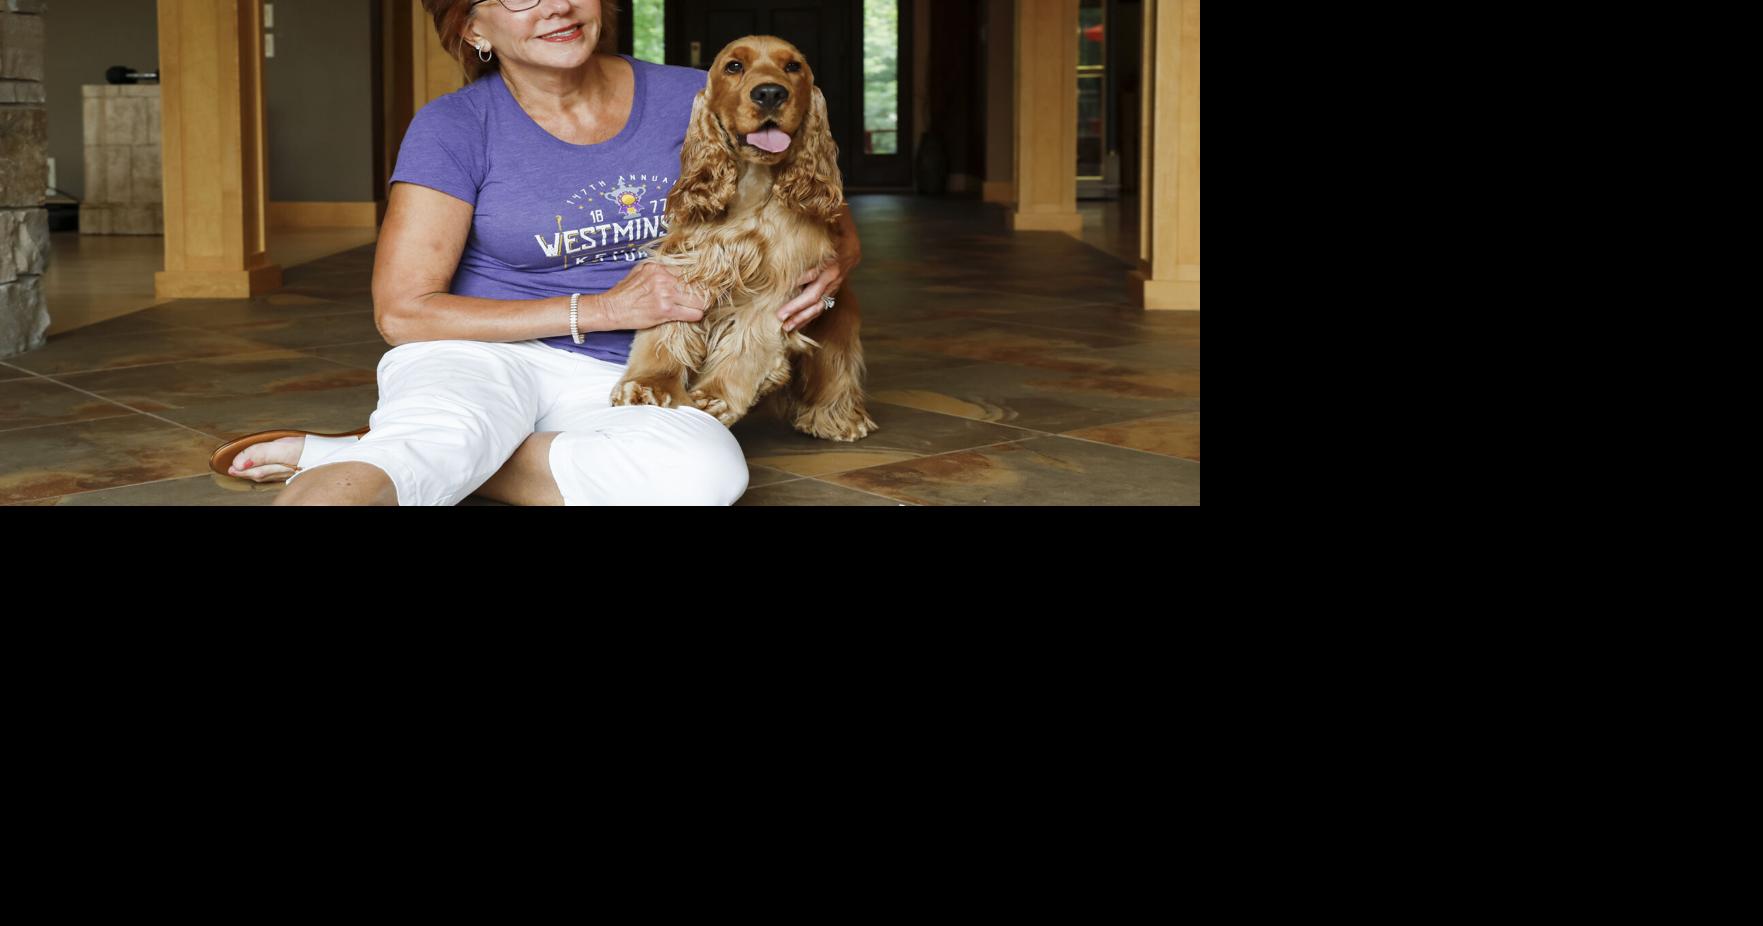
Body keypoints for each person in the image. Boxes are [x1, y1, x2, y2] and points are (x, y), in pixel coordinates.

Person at [215, 0, 861, 505]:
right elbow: (403, 314)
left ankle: (425, 450)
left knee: (701, 477)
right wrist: (598, 310)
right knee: (431, 440)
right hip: (480, 354)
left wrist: (835, 262)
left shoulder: (702, 91)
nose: (556, 6)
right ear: (474, 28)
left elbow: (818, 204)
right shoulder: (454, 127)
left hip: (623, 373)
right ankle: (419, 448)